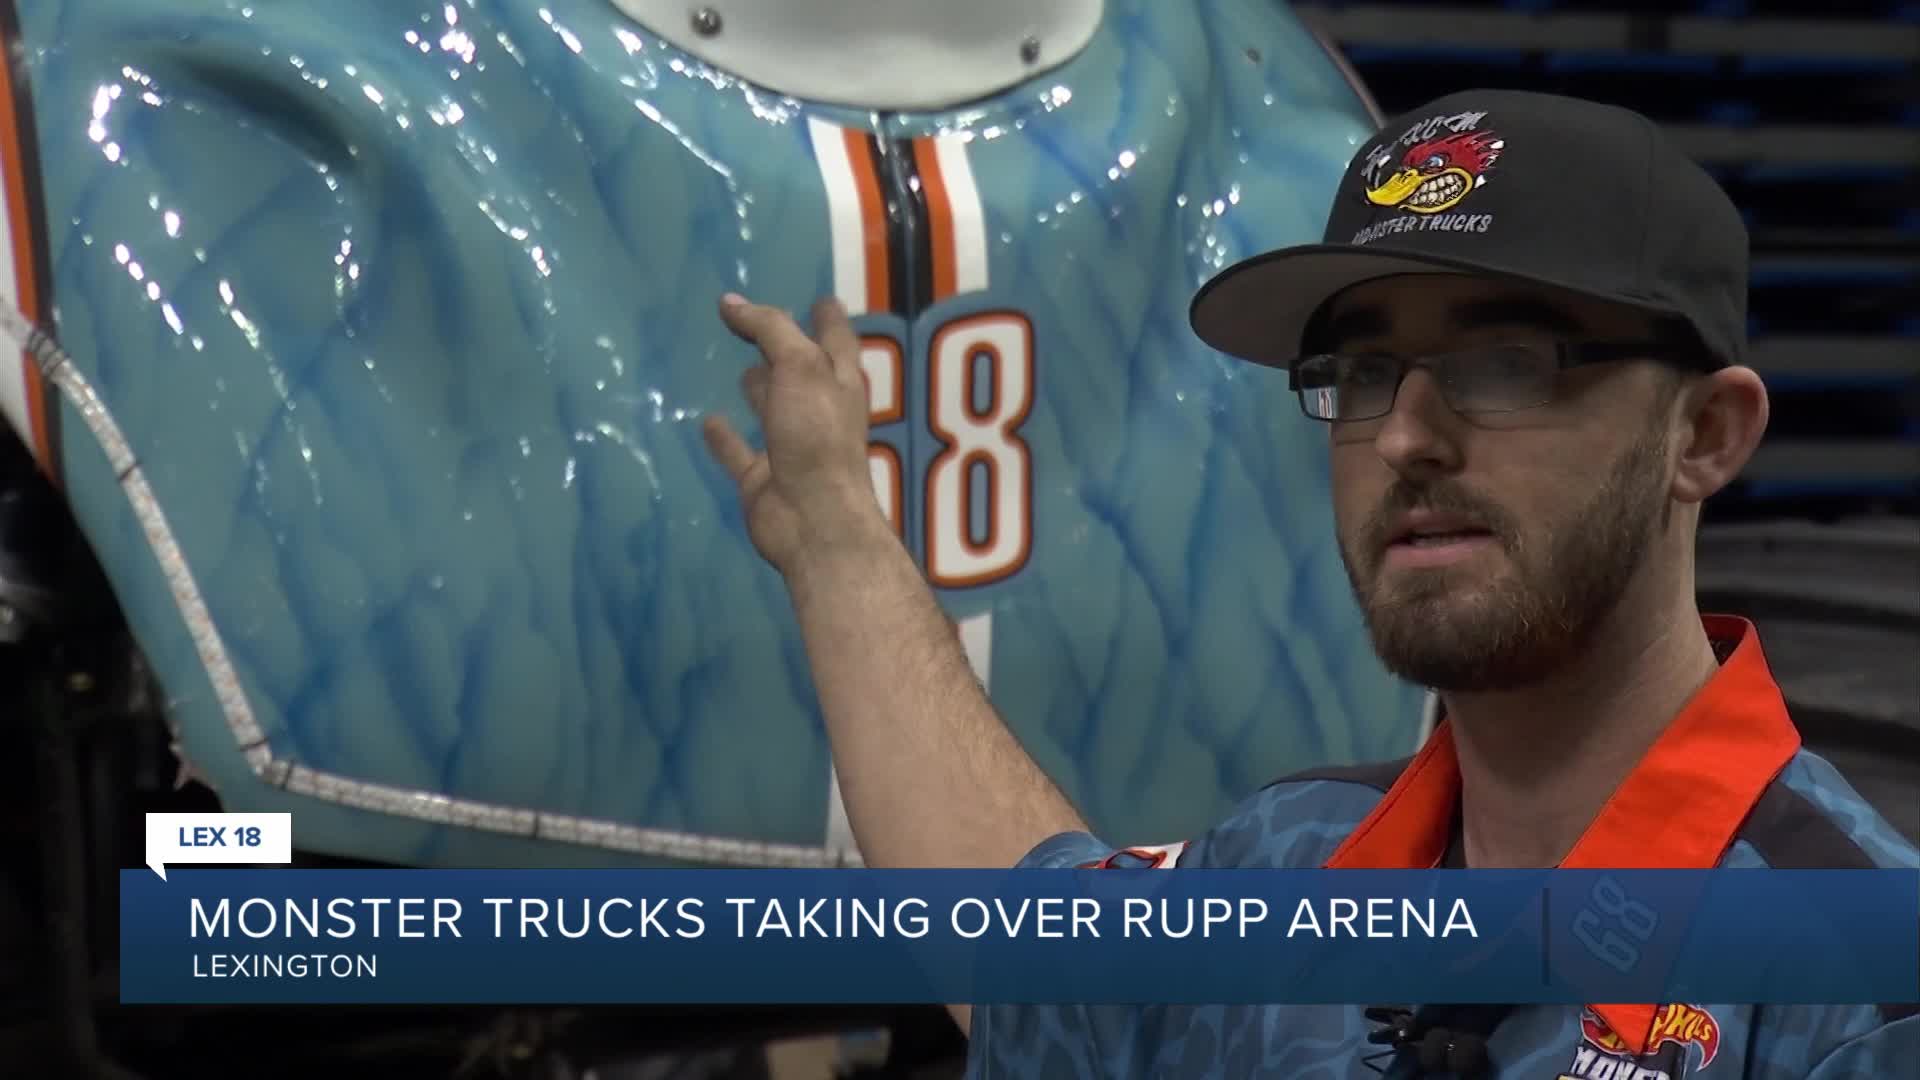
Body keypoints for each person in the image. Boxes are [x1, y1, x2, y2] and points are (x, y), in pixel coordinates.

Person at [702, 88, 1918, 1078]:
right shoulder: (1288, 862)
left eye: (1504, 362)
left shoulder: (1857, 993)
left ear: (1704, 434)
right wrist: (834, 541)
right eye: (1365, 368)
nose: (1405, 436)